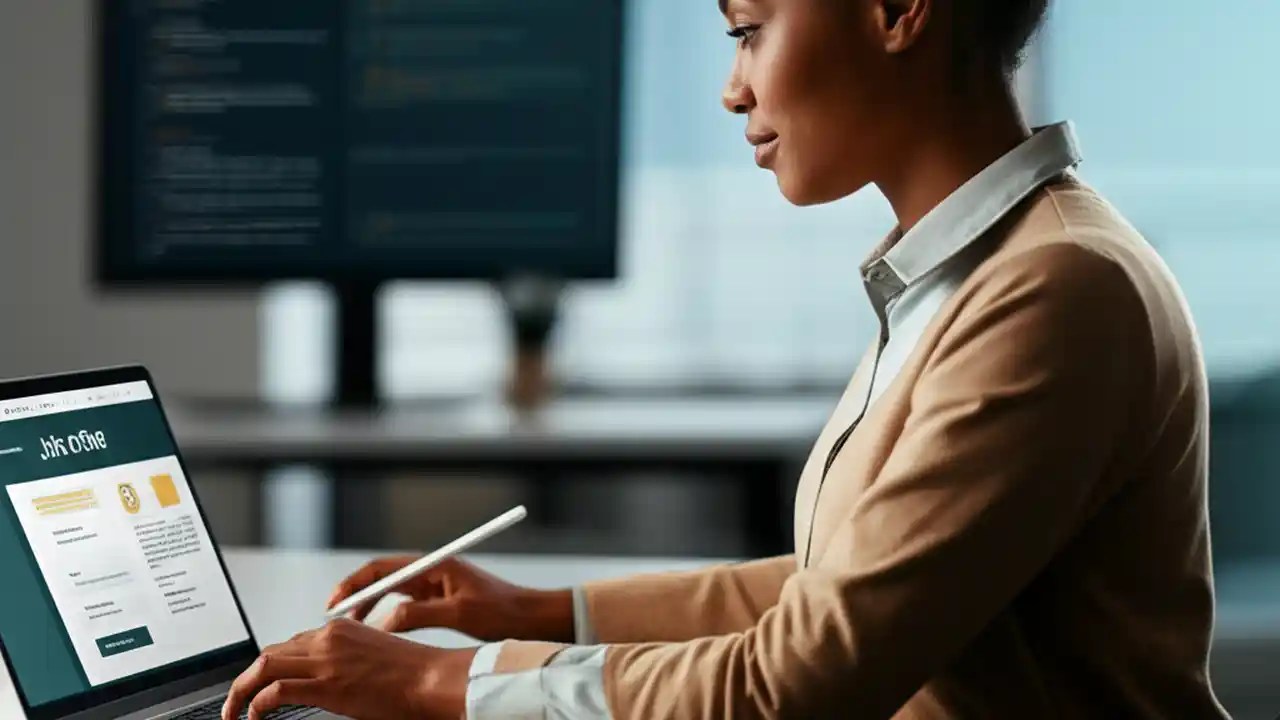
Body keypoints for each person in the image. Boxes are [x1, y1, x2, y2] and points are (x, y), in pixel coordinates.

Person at [223, 0, 1229, 717]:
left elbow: (793, 683)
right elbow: (843, 588)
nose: (729, 87)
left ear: (895, 11)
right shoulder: (977, 270)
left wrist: (430, 683)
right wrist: (530, 612)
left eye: (747, 30)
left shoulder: (1051, 292)